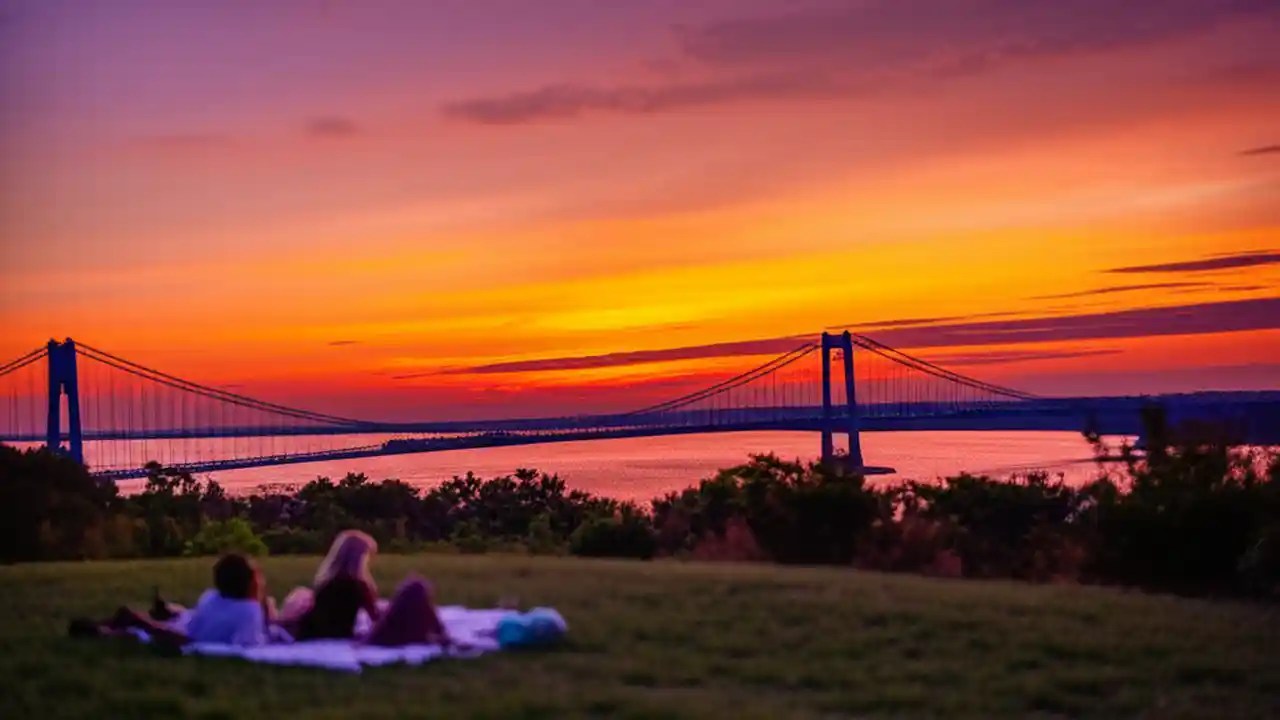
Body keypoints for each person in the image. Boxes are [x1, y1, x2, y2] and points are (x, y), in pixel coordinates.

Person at [280, 530, 457, 647]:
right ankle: (443, 636)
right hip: (342, 638)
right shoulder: (357, 585)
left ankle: (441, 635)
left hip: (313, 635)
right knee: (416, 587)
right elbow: (375, 619)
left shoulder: (326, 584)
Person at [69, 553, 270, 648]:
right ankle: (139, 621)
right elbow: (250, 647)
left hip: (190, 626)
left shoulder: (212, 596)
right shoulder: (250, 611)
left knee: (142, 633)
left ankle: (103, 628)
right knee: (151, 633)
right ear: (249, 583)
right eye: (257, 575)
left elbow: (200, 618)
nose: (261, 579)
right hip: (192, 638)